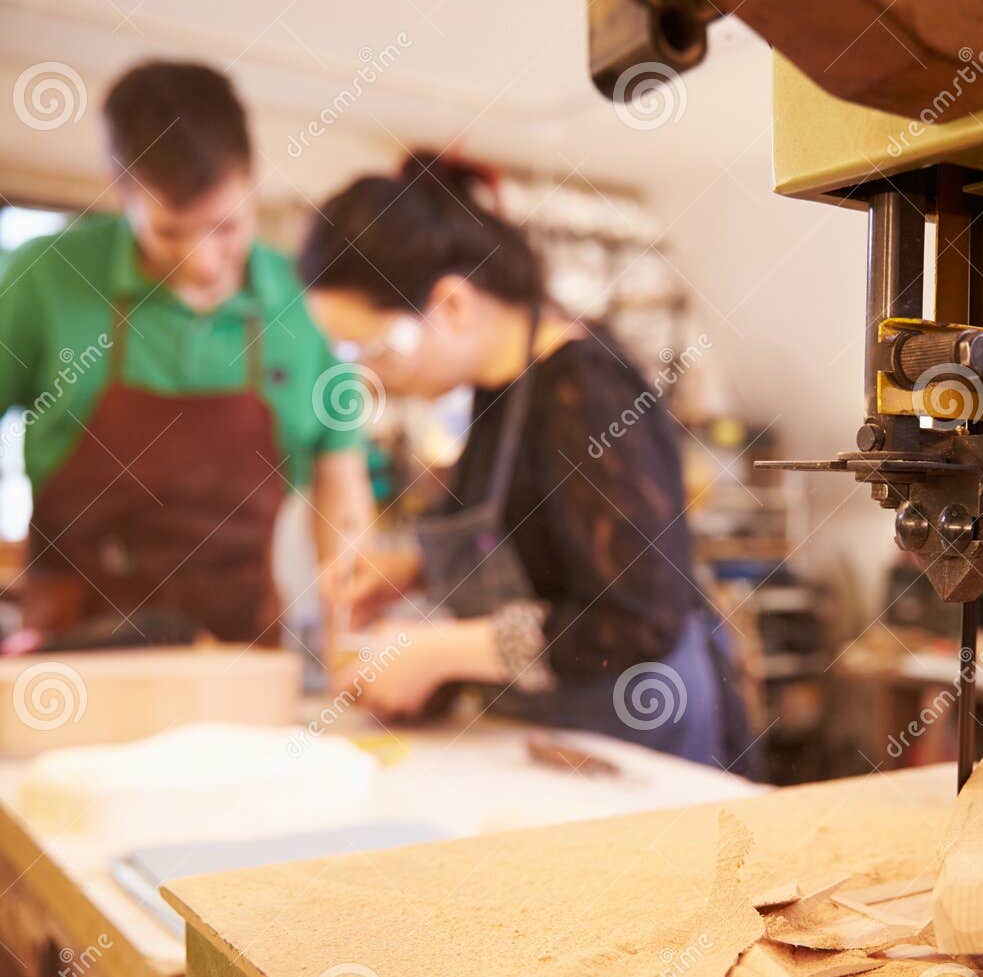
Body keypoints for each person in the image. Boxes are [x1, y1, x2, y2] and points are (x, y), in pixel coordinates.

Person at [298, 153, 751, 770]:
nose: (371, 376)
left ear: (453, 305)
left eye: (375, 349)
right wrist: (412, 569)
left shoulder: (585, 395)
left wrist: (436, 653)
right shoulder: (498, 392)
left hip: (641, 740)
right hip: (563, 738)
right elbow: (537, 550)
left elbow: (633, 621)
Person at [0, 61, 373, 647]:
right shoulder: (46, 279)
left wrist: (345, 634)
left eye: (226, 228)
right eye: (170, 232)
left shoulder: (305, 300)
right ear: (119, 187)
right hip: (72, 652)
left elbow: (340, 472)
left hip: (238, 653)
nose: (202, 262)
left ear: (252, 180)